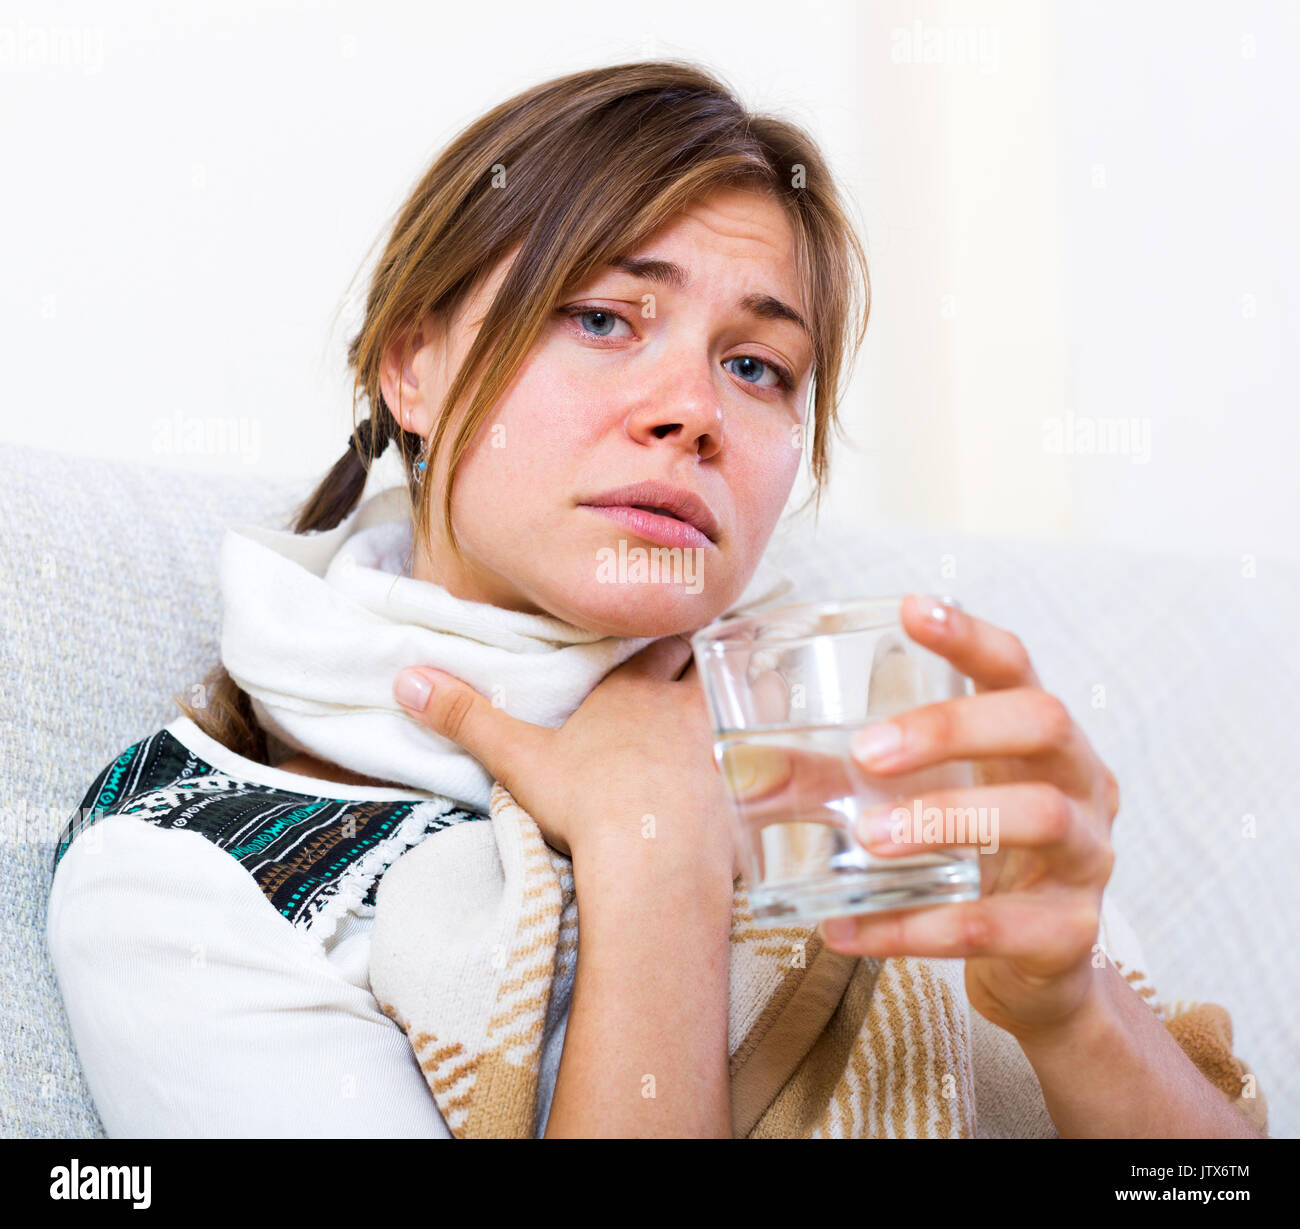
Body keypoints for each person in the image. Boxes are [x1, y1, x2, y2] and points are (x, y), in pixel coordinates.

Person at [46, 59, 1265, 1139]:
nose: (692, 407)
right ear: (409, 365)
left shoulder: (877, 747)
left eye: (755, 365)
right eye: (602, 317)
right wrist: (654, 862)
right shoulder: (182, 868)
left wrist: (1069, 1008)